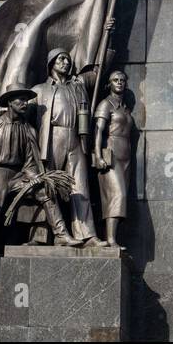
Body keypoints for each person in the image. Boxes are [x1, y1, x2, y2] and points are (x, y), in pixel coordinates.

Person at [0, 84, 82, 283]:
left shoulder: (28, 129)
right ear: (10, 103)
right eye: (20, 100)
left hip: (17, 175)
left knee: (45, 191)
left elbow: (30, 160)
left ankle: (61, 234)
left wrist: (34, 176)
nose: (25, 104)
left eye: (26, 100)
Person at [29, 45, 109, 244]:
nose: (66, 62)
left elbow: (98, 70)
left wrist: (106, 34)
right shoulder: (39, 90)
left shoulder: (78, 85)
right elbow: (23, 116)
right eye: (61, 59)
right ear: (51, 64)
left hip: (75, 138)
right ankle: (41, 236)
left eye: (67, 59)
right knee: (47, 187)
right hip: (51, 138)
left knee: (80, 187)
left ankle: (87, 234)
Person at [92, 69, 134, 247]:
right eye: (115, 80)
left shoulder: (125, 107)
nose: (119, 82)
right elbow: (98, 132)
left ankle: (112, 237)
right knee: (117, 195)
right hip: (111, 155)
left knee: (121, 197)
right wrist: (98, 155)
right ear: (109, 84)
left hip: (125, 157)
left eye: (122, 80)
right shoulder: (105, 104)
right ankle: (110, 239)